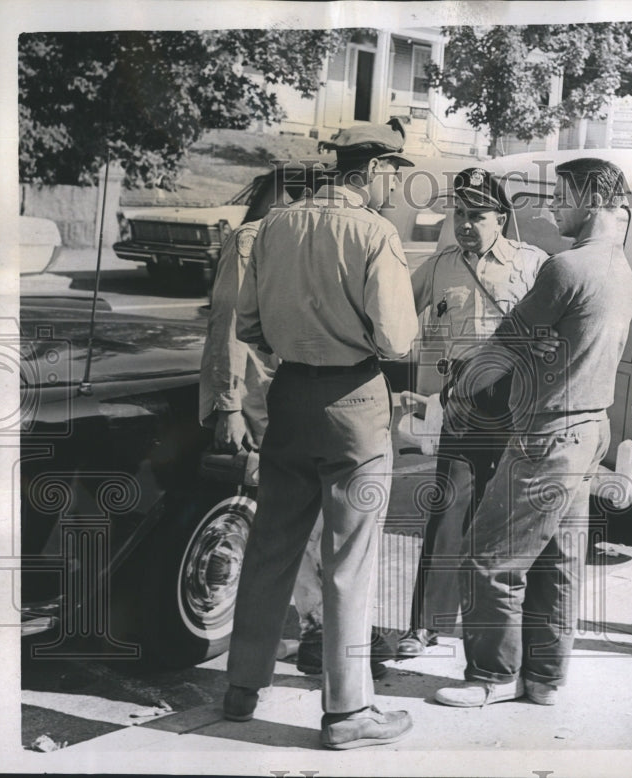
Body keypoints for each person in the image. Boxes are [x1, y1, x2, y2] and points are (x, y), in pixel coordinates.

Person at [222, 119, 419, 750]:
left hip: (288, 396)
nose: (395, 182)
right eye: (393, 171)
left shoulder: (275, 224)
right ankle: (347, 714)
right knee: (349, 563)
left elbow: (247, 324)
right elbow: (396, 338)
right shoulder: (375, 231)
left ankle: (241, 689)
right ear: (375, 170)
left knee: (272, 546)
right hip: (353, 400)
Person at [432, 158, 632, 707]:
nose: (551, 208)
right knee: (557, 560)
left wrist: (460, 392)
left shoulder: (566, 267)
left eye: (562, 196)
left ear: (591, 198)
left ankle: (491, 676)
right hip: (589, 427)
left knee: (488, 556)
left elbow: (503, 344)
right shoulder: (619, 266)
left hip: (546, 434)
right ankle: (543, 678)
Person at [198, 199, 387, 682]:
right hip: (263, 399)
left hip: (287, 393)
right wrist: (227, 403)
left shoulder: (291, 235)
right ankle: (316, 628)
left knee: (306, 526)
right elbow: (229, 323)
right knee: (292, 531)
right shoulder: (254, 238)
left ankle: (305, 637)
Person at [396, 168, 548, 658]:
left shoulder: (532, 264)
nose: (465, 224)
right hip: (461, 404)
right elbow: (395, 307)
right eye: (459, 214)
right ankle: (426, 625)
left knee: (504, 518)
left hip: (514, 403)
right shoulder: (440, 267)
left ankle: (497, 631)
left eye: (477, 215)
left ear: (500, 219)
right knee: (448, 512)